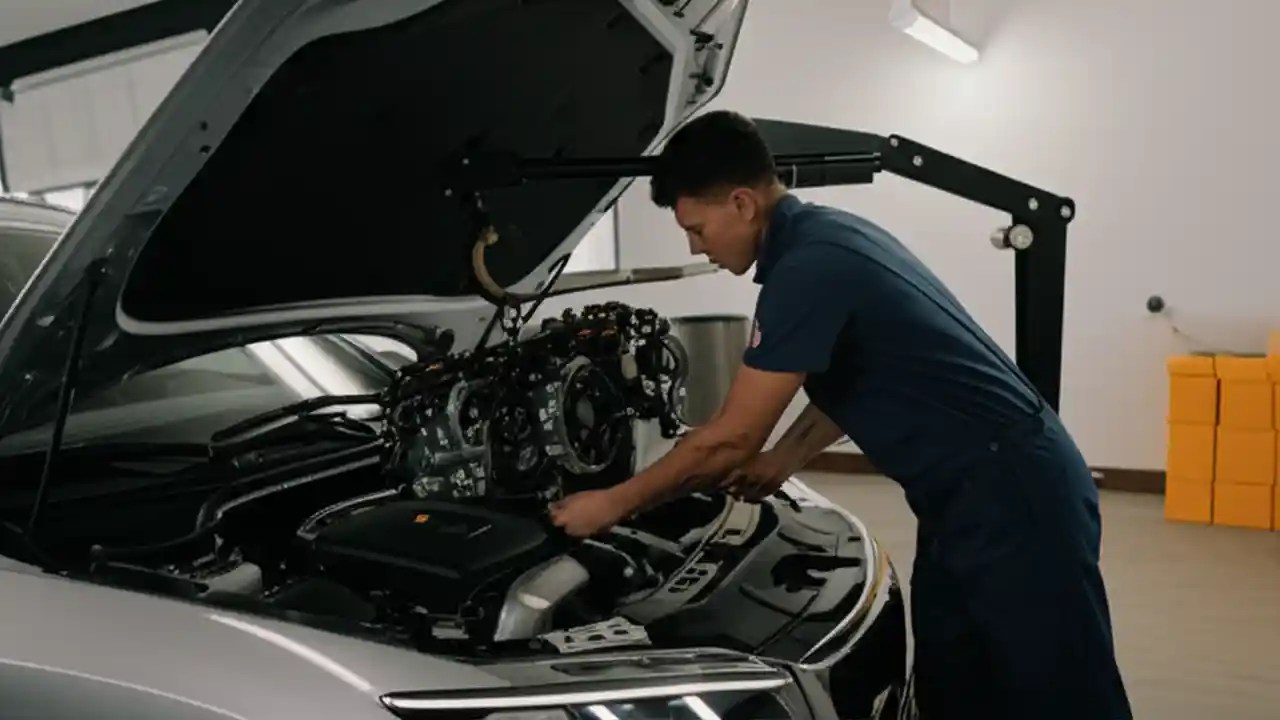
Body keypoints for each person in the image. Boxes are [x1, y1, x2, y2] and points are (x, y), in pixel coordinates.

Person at [547, 110, 1131, 719]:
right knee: (956, 681)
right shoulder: (827, 236)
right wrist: (784, 459)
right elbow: (854, 376)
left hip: (1013, 493)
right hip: (965, 495)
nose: (696, 245)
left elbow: (731, 439)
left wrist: (613, 503)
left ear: (742, 204)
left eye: (696, 228)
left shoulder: (809, 269)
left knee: (1063, 691)